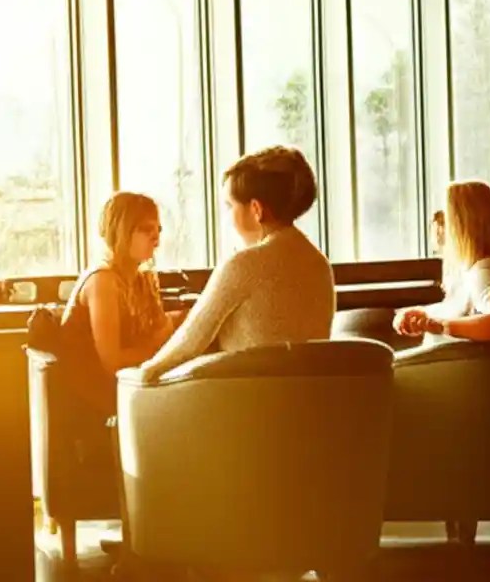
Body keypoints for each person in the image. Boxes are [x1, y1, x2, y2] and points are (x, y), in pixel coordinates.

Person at [138, 146, 334, 383]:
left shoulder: (244, 264)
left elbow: (188, 343)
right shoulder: (319, 263)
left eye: (230, 206)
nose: (228, 216)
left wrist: (138, 376)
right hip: (308, 405)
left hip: (249, 406)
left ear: (256, 210)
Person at [60, 192, 180, 413]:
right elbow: (112, 362)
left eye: (158, 231)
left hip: (129, 385)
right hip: (94, 397)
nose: (156, 239)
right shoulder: (102, 280)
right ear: (121, 231)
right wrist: (160, 343)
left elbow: (157, 330)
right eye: (146, 230)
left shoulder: (143, 276)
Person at [393, 180, 490, 342]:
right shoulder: (476, 272)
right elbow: (464, 313)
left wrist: (440, 326)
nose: (435, 223)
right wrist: (425, 314)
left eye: (444, 216)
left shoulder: (485, 271)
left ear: (463, 225)